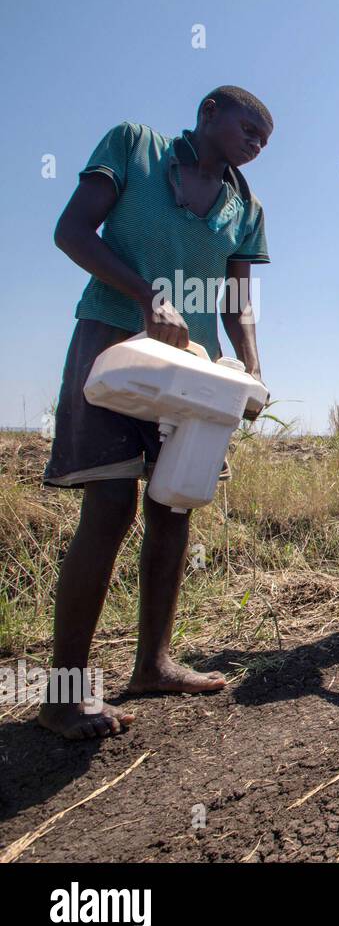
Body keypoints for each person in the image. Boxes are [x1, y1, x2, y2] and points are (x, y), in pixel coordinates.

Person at [40, 86, 273, 740]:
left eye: (265, 141)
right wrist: (147, 296)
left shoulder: (245, 206)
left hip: (196, 370)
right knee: (110, 507)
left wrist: (251, 367)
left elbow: (237, 302)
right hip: (117, 345)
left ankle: (153, 663)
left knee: (175, 503)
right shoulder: (135, 147)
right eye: (248, 127)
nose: (256, 144)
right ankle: (62, 696)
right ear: (208, 115)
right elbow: (71, 231)